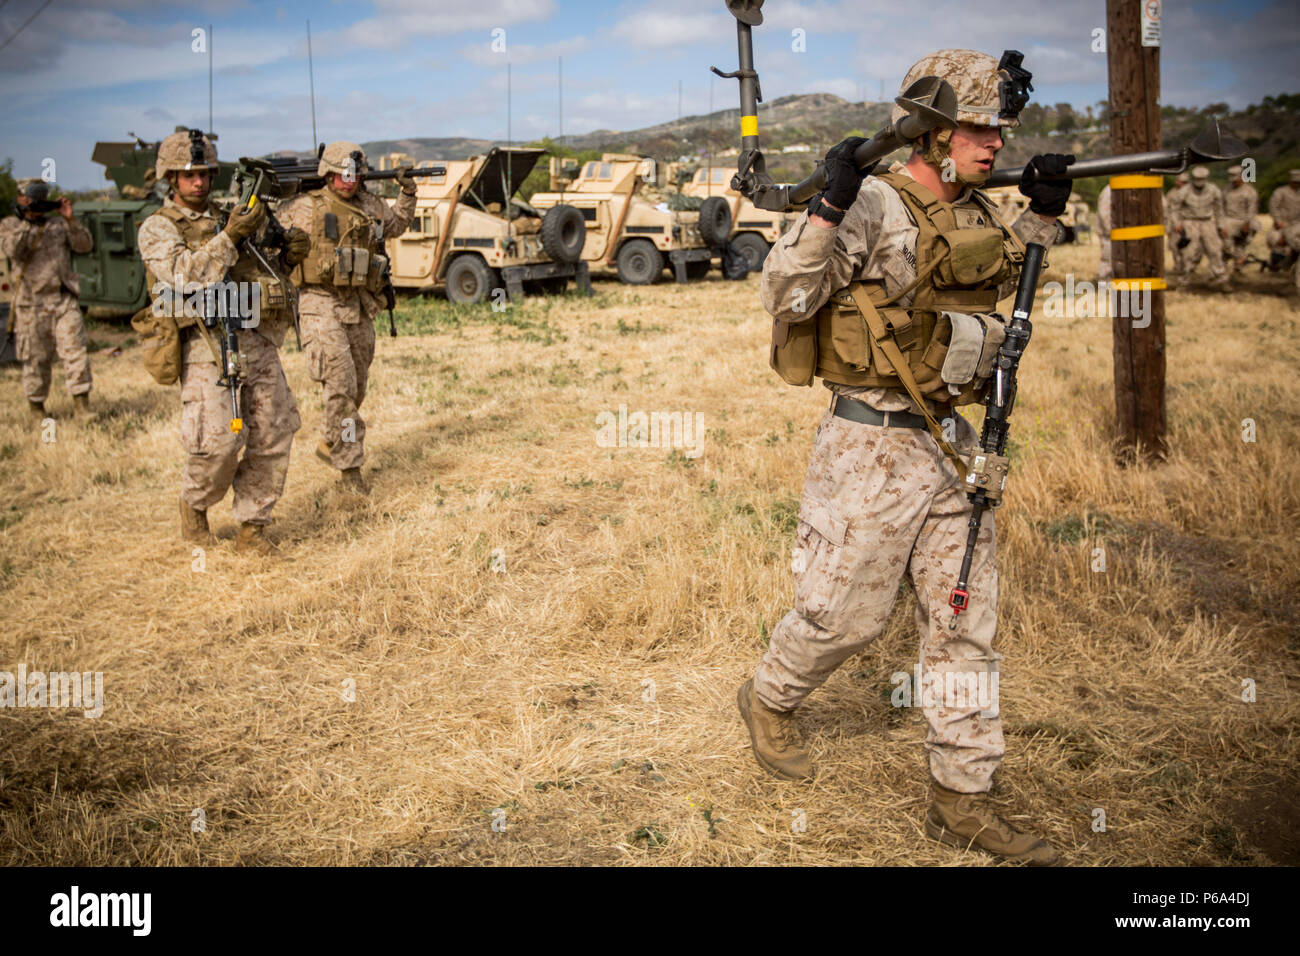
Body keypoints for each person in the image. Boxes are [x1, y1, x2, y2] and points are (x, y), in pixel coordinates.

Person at [737, 49, 1067, 865]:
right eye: (979, 128)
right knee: (843, 617)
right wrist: (826, 205)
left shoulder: (984, 211)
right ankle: (770, 696)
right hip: (871, 446)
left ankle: (963, 796)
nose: (994, 145)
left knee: (964, 627)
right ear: (933, 129)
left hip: (954, 445)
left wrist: (1043, 216)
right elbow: (786, 294)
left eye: (1001, 131)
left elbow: (1005, 279)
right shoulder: (876, 204)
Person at [136, 129, 310, 554]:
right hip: (204, 344)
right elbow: (185, 275)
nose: (199, 182)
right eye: (188, 174)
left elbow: (260, 270)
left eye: (205, 173)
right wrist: (230, 236)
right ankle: (195, 505)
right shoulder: (158, 227)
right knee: (218, 443)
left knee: (272, 433)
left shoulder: (230, 214)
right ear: (170, 178)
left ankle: (253, 527)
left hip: (255, 337)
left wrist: (286, 253)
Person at [277, 143, 417, 494]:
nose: (349, 181)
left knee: (355, 391)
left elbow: (397, 224)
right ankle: (350, 473)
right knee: (340, 387)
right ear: (327, 173)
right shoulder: (304, 208)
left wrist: (408, 192)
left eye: (355, 174)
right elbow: (269, 239)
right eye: (342, 174)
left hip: (359, 306)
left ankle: (333, 439)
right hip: (319, 304)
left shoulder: (370, 205)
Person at [0, 178, 94, 420]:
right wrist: (28, 220)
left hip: (63, 299)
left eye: (42, 197)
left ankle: (82, 406)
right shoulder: (9, 225)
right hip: (31, 303)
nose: (38, 202)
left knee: (75, 352)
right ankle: (36, 408)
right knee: (36, 359)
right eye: (32, 197)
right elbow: (12, 250)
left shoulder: (57, 224)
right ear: (21, 198)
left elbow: (85, 246)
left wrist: (70, 219)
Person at [1168, 166, 1228, 289]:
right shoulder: (1184, 191)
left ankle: (1220, 278)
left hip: (1207, 222)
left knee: (1214, 250)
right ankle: (1184, 279)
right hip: (1189, 222)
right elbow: (1174, 208)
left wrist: (1221, 226)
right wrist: (1177, 223)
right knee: (1189, 252)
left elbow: (1219, 210)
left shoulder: (1213, 190)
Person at [1221, 165, 1258, 277]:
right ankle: (1225, 268)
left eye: (1236, 180)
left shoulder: (1250, 191)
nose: (1234, 182)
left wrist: (1247, 224)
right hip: (1229, 221)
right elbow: (1221, 207)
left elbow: (1252, 210)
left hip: (1244, 221)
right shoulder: (1226, 190)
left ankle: (1238, 268)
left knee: (1241, 245)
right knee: (1226, 245)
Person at [1266, 169, 1300, 290]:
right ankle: (1279, 262)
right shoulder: (1280, 192)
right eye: (1295, 181)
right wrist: (1277, 220)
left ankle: (1288, 267)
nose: (1297, 184)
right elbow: (1273, 207)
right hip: (1282, 224)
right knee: (1276, 241)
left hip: (1297, 226)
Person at [1097, 183, 1112, 280]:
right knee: (1107, 260)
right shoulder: (1109, 191)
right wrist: (1111, 230)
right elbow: (1104, 213)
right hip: (1109, 235)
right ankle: (1104, 283)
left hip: (1115, 234)